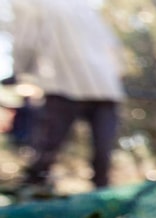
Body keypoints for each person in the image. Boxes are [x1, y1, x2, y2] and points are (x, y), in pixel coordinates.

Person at [11, 0, 126, 191]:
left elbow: (26, 42)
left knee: (46, 149)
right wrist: (117, 73)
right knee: (103, 152)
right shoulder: (84, 8)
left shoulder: (34, 5)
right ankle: (101, 192)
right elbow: (113, 46)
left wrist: (20, 73)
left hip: (64, 83)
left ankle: (32, 189)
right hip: (105, 85)